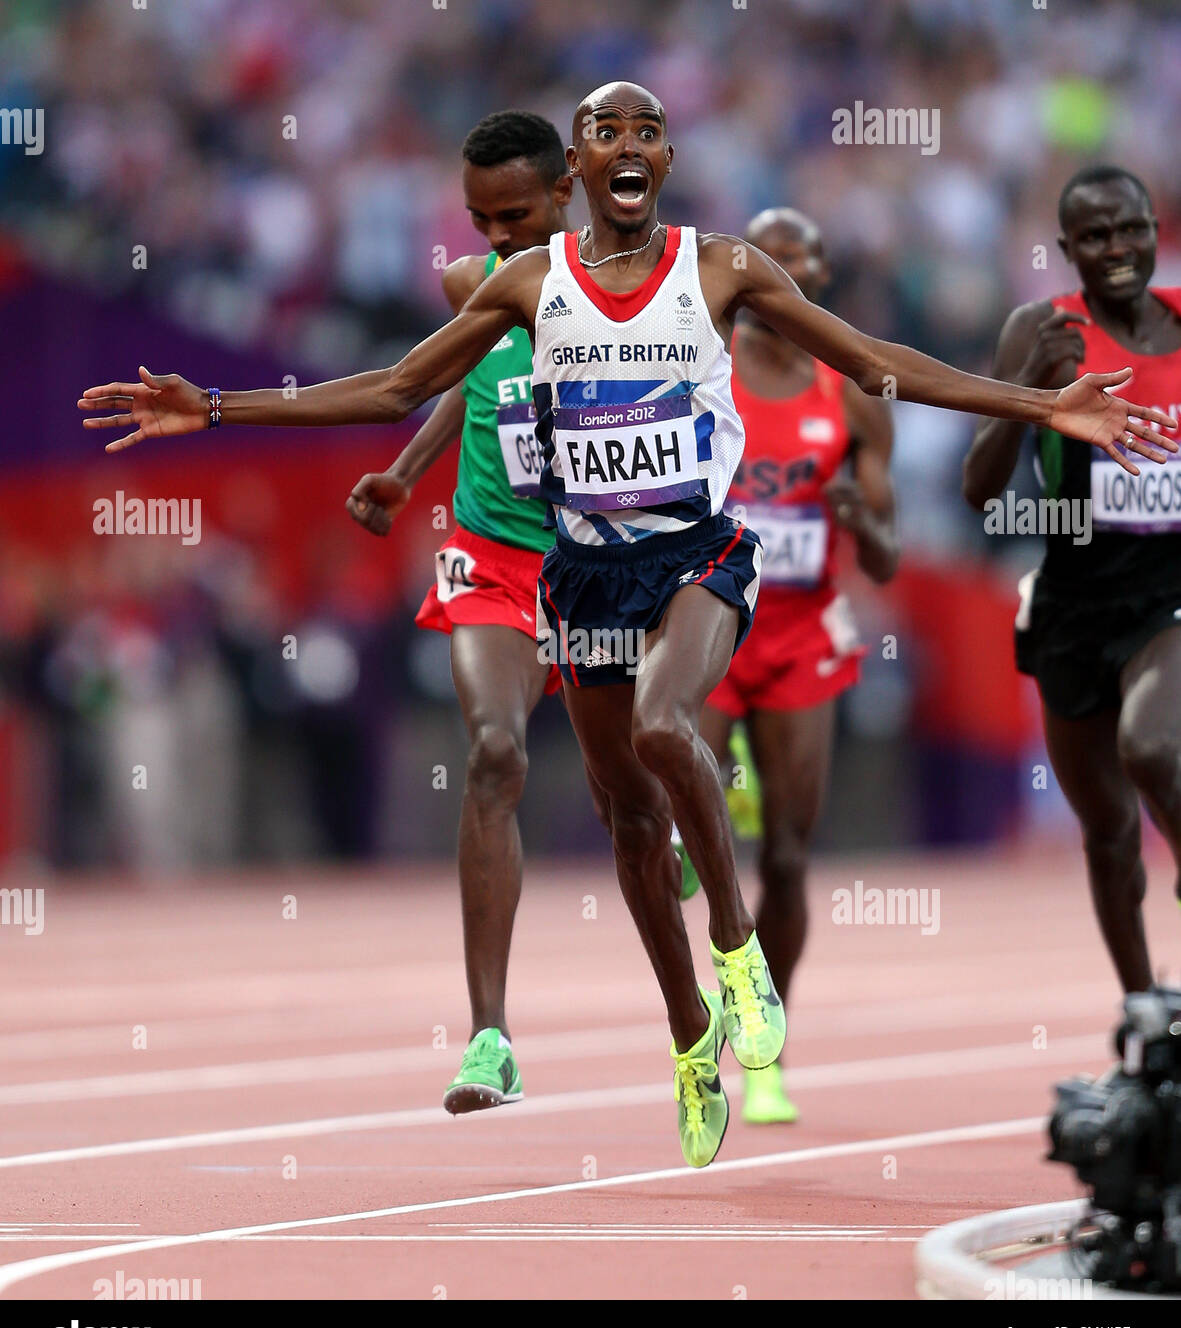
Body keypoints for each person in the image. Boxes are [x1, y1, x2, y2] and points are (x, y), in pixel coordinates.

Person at [79, 88, 1176, 1169]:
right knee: (630, 825)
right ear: (580, 165)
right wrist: (213, 407)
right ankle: (690, 1030)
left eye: (646, 129)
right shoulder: (527, 280)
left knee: (662, 726)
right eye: (607, 132)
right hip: (585, 574)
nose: (629, 146)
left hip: (698, 552)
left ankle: (739, 951)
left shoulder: (723, 266)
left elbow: (872, 361)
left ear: (663, 154)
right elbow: (395, 389)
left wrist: (1040, 406)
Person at [346, 110, 572, 1114]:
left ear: (564, 197)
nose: (493, 243)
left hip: (604, 563)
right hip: (490, 558)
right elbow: (467, 381)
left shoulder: (631, 296)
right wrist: (402, 473)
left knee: (644, 775)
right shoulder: (473, 288)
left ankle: (683, 838)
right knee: (493, 752)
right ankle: (490, 1034)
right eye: (479, 220)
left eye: (515, 217)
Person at [693, 208, 898, 1126]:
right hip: (707, 622)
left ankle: (765, 1052)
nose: (790, 278)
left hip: (801, 638)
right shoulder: (702, 370)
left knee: (785, 855)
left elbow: (887, 557)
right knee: (676, 820)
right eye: (774, 263)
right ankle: (712, 797)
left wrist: (860, 518)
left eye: (806, 264)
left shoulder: (848, 391)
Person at [963, 165, 1181, 995]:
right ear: (1065, 251)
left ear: (1153, 227)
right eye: (1093, 237)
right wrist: (1028, 396)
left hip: (1168, 592)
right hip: (1072, 602)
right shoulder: (1040, 329)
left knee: (1153, 746)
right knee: (1107, 834)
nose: (1115, 249)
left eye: (1128, 229)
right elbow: (978, 490)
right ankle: (1141, 1008)